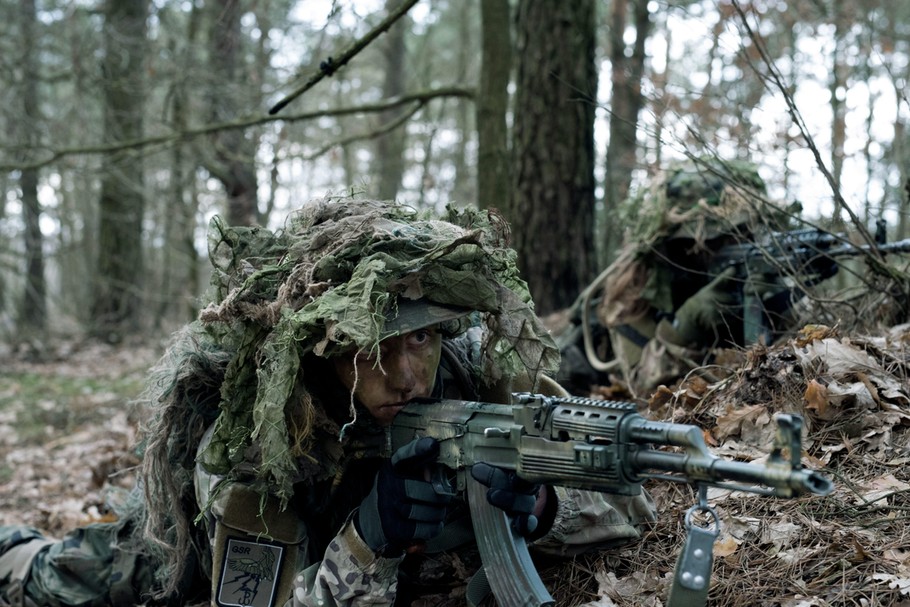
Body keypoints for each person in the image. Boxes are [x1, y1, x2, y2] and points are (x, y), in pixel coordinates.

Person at [0, 197, 657, 607]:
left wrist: (543, 507)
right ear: (324, 349)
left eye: (422, 337)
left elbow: (629, 497)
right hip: (213, 546)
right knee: (66, 576)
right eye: (374, 346)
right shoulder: (261, 435)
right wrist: (368, 540)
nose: (408, 375)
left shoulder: (471, 372)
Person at [554, 159, 829, 399]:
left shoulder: (753, 265)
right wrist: (684, 325)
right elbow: (638, 387)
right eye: (711, 241)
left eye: (737, 235)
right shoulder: (639, 286)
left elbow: (802, 347)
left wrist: (778, 302)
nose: (720, 248)